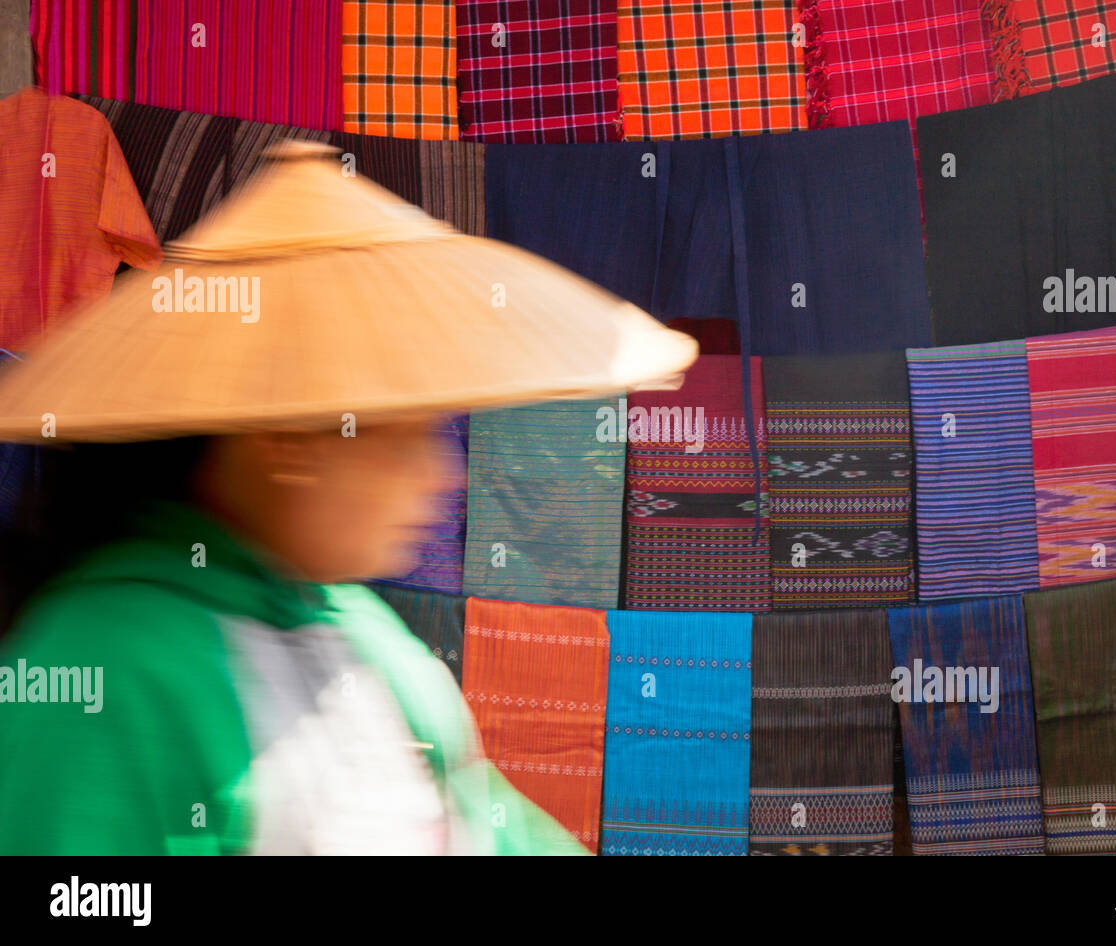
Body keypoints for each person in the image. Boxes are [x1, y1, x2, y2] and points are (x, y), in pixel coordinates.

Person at [0, 141, 696, 855]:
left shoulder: (368, 637)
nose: (443, 477)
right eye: (411, 432)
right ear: (290, 441)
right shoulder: (106, 672)